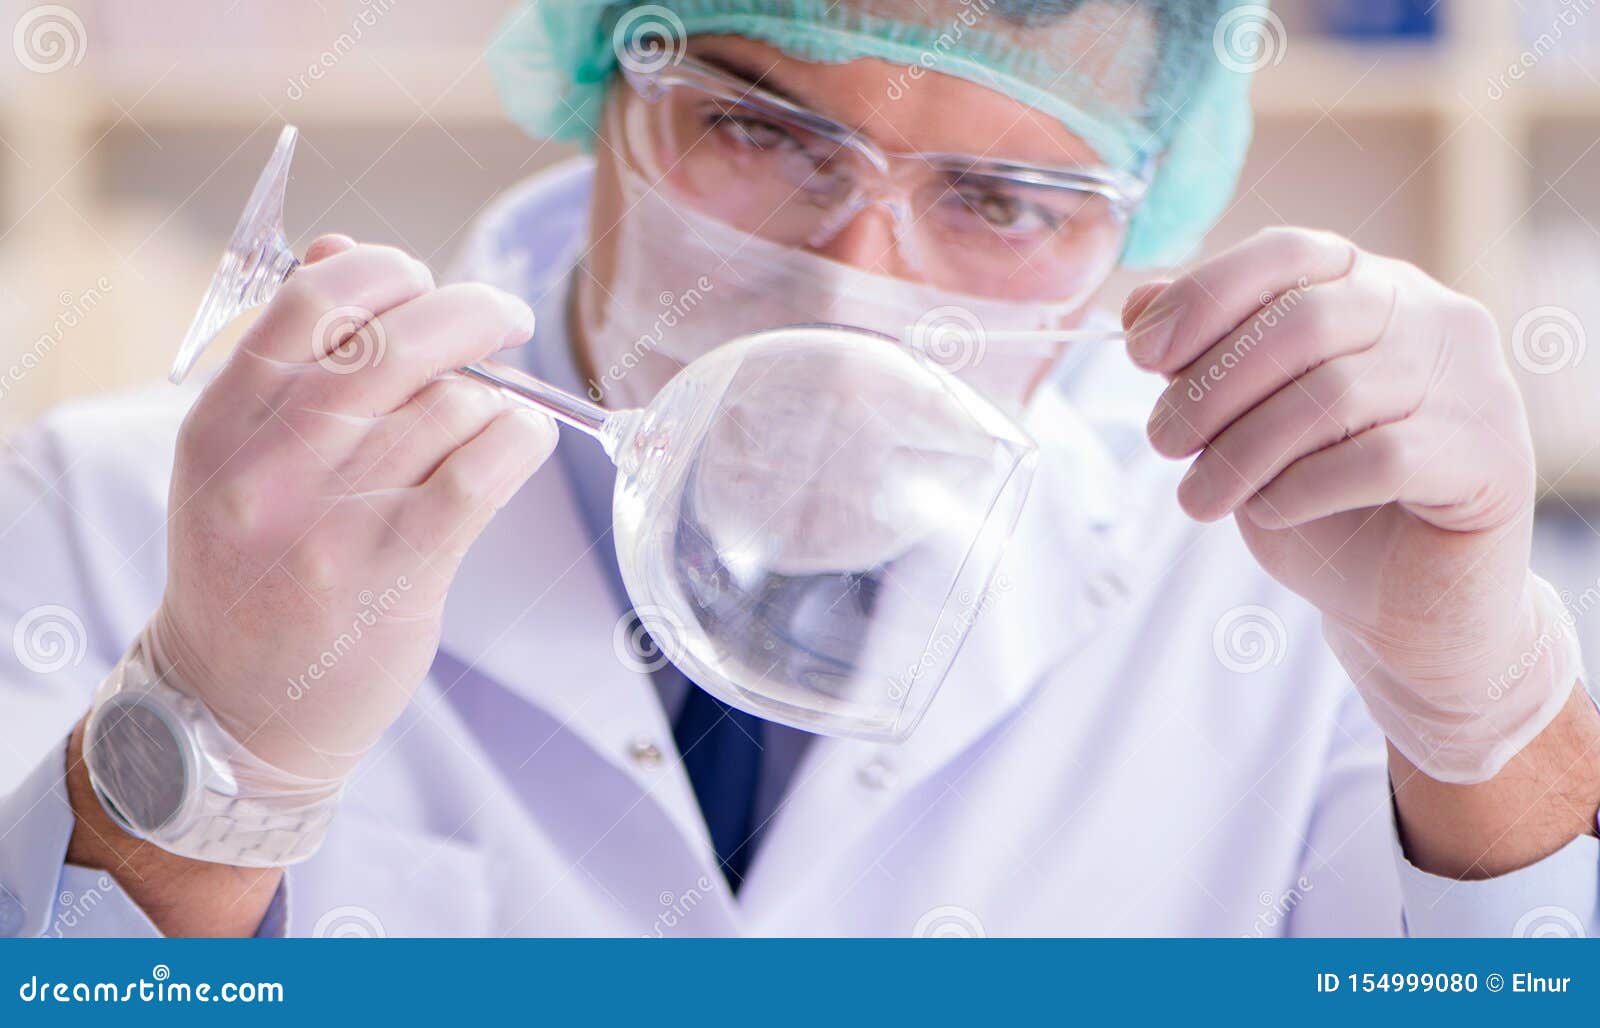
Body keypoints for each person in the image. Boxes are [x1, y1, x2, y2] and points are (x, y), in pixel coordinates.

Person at [1, 0, 1596, 939]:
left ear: (1138, 229)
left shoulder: (1277, 586)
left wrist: (1479, 704)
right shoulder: (116, 519)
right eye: (763, 136)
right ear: (606, 86)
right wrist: (208, 758)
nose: (856, 277)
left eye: (1003, 199)